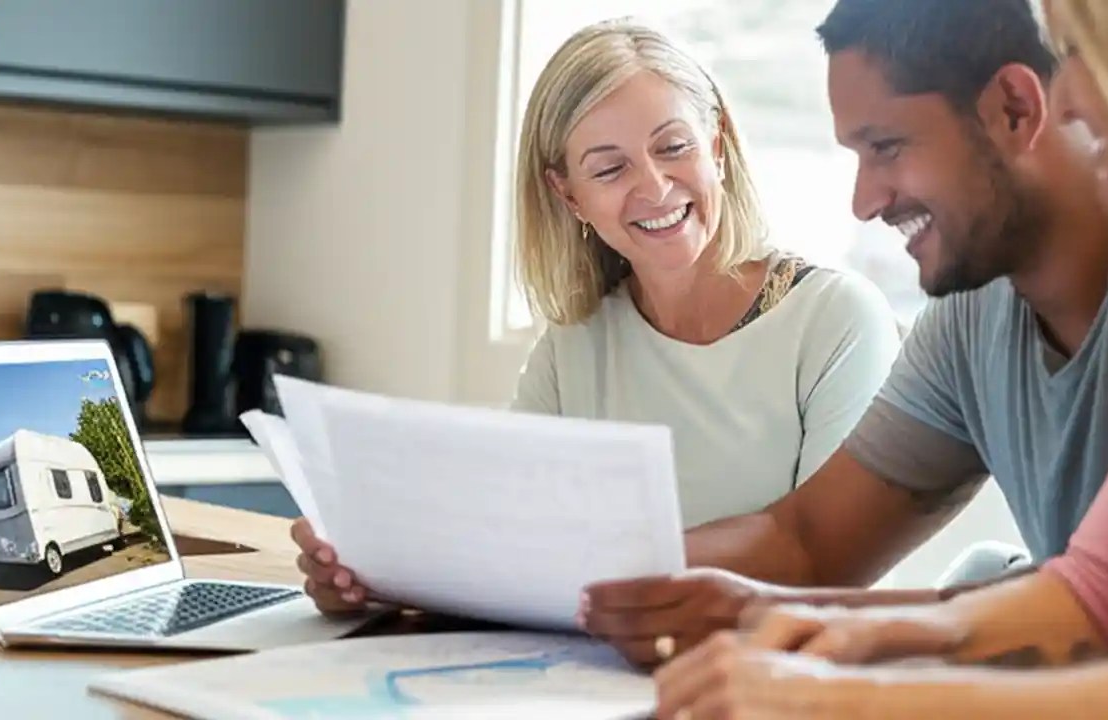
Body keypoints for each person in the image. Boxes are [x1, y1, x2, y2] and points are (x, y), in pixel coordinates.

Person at [579, 0, 1108, 671]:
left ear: (1015, 110)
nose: (865, 201)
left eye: (887, 147)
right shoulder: (972, 315)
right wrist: (571, 574)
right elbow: (812, 539)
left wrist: (845, 681)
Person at [288, 18, 901, 614]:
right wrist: (373, 576)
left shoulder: (836, 321)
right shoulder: (573, 346)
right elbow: (502, 548)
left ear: (717, 146)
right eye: (610, 168)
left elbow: (832, 564)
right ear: (568, 194)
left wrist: (592, 571)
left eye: (674, 147)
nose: (656, 187)